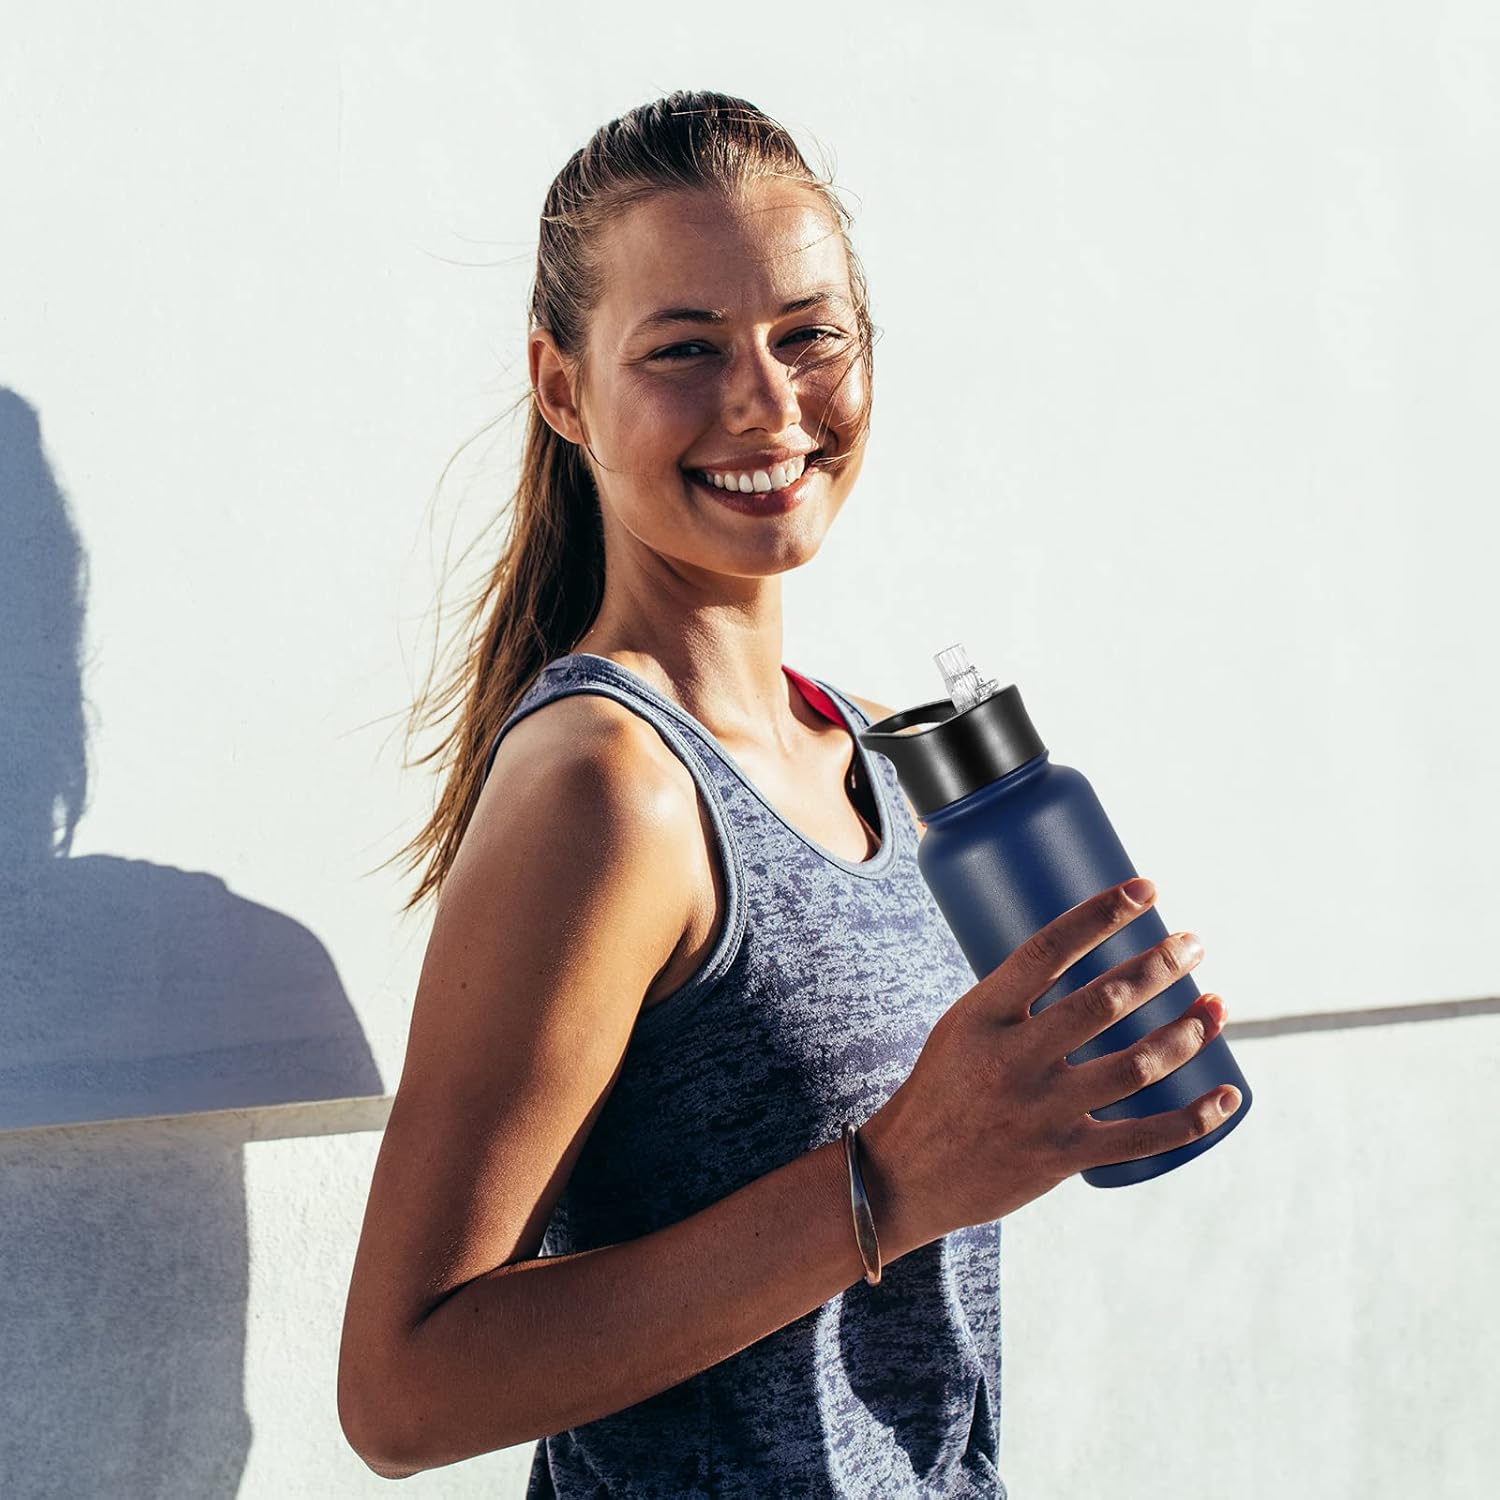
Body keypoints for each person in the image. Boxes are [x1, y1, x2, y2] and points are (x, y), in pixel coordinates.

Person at [336, 90, 1238, 1497]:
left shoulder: (878, 749)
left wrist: (1058, 1093)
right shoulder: (610, 787)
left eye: (808, 335)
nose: (767, 403)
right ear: (563, 387)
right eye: (687, 350)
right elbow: (403, 1392)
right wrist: (892, 1182)